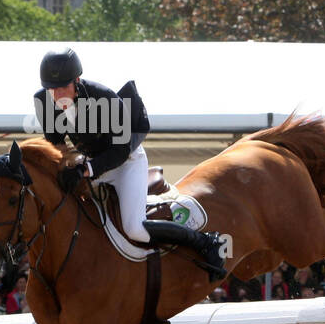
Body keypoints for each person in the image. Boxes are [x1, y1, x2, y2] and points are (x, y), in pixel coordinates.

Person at [32, 48, 226, 280]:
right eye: (52, 89)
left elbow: (121, 150)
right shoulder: (44, 100)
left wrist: (87, 170)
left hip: (125, 162)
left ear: (77, 80)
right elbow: (55, 144)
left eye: (63, 87)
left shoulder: (104, 98)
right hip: (90, 161)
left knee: (135, 228)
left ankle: (205, 242)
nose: (57, 95)